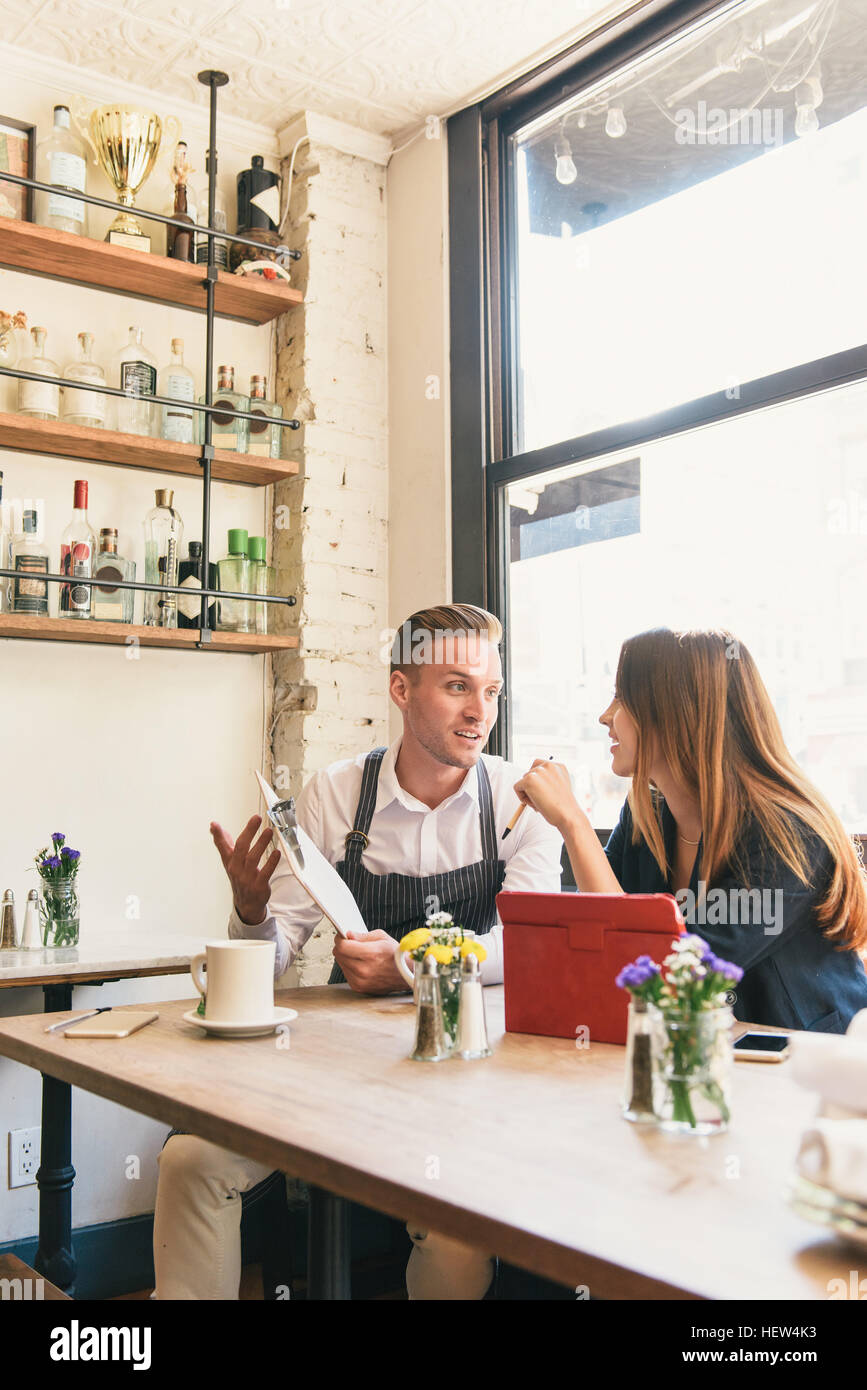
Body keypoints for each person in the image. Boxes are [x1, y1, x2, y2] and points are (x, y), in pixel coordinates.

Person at [153, 603, 563, 1300]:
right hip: (337, 1071)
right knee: (192, 1159)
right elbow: (275, 953)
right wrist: (251, 913)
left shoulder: (520, 802)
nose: (479, 712)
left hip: (466, 1077)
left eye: (490, 691)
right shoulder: (336, 795)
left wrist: (407, 964)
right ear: (401, 690)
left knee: (456, 1222)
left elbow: (529, 950)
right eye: (457, 687)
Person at [514, 627, 867, 1033]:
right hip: (701, 1049)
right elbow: (604, 932)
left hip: (804, 1065)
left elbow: (674, 976)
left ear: (678, 713)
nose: (605, 716)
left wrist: (574, 824)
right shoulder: (647, 810)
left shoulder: (789, 835)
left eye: (622, 698)